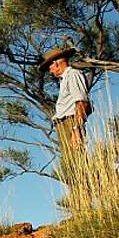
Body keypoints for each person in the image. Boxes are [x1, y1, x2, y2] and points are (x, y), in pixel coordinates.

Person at [40, 47, 92, 182]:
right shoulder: (65, 79)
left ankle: (86, 190)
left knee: (77, 164)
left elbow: (82, 102)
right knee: (71, 166)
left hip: (70, 123)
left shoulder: (73, 74)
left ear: (56, 63)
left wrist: (76, 129)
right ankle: (80, 192)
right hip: (64, 124)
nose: (50, 71)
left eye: (50, 68)